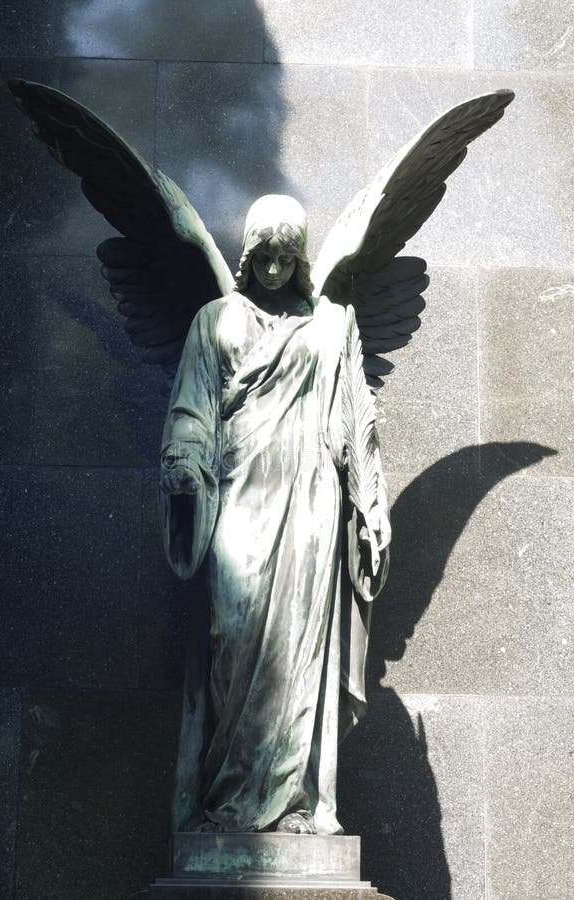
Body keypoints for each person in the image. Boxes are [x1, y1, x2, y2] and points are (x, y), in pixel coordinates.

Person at [159, 195, 390, 835]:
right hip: (236, 499)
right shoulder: (215, 321)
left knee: (297, 655)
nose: (272, 268)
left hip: (312, 503)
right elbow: (190, 409)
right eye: (264, 255)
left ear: (301, 258)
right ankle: (227, 801)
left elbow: (357, 422)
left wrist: (369, 504)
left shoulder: (331, 324)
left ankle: (291, 806)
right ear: (248, 254)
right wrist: (183, 464)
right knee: (230, 635)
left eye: (286, 257)